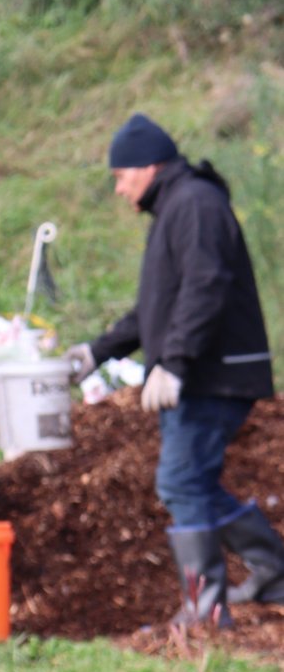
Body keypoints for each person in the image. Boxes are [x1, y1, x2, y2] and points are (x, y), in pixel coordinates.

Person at [65, 112, 283, 622]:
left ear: (147, 165)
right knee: (193, 482)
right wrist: (98, 351)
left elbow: (206, 286)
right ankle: (272, 570)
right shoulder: (178, 208)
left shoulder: (195, 205)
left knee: (182, 482)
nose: (118, 190)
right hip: (206, 372)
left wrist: (176, 363)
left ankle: (205, 610)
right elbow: (157, 307)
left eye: (120, 176)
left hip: (213, 374)